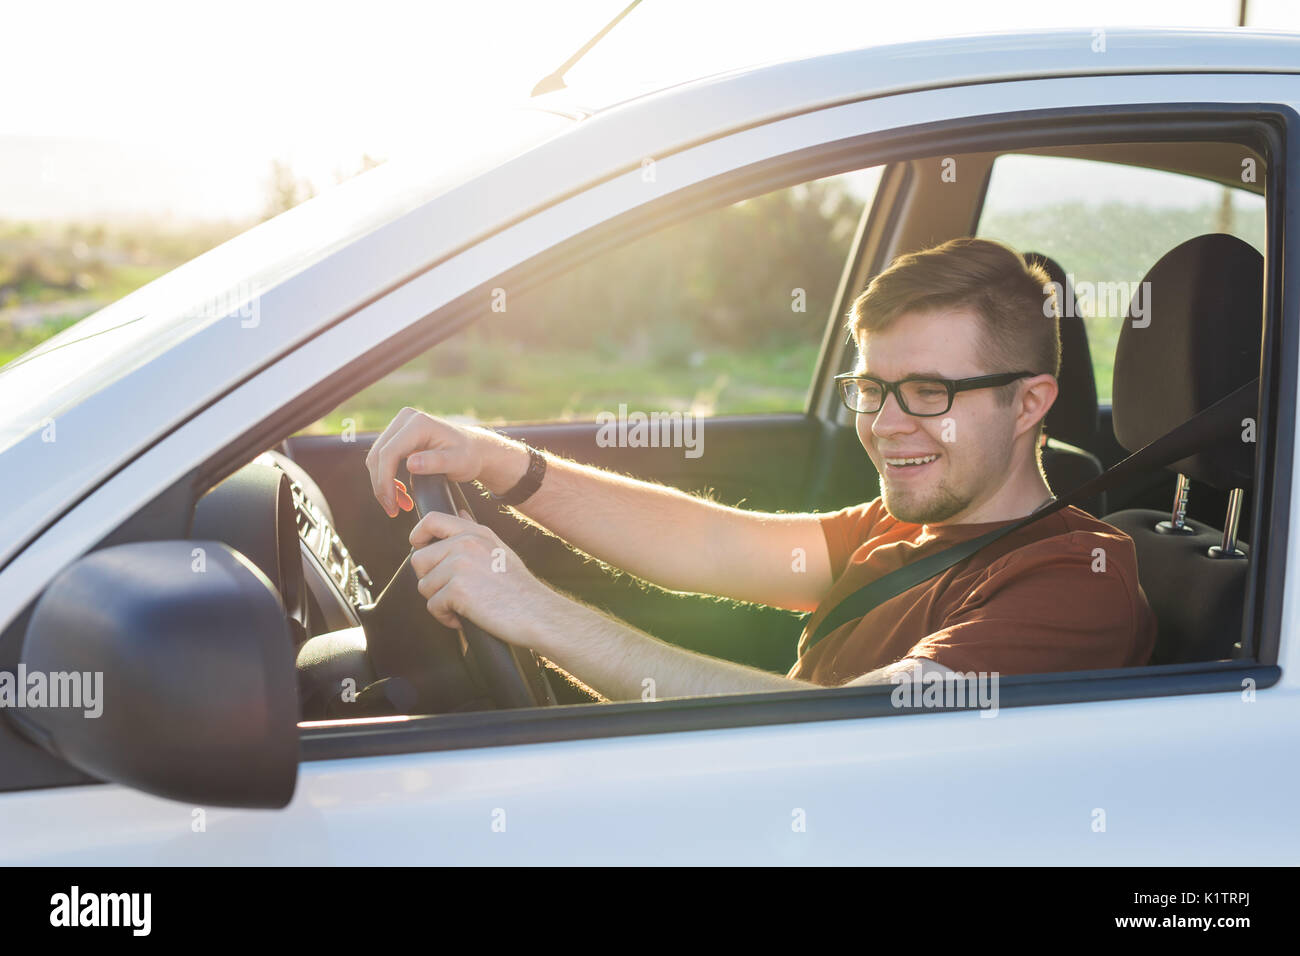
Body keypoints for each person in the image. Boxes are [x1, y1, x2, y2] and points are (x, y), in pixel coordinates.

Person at [365, 237, 1156, 701]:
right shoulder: (915, 520)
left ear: (1028, 405)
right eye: (873, 390)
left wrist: (535, 613)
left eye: (927, 393)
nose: (884, 426)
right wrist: (503, 462)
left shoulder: (1075, 586)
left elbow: (848, 731)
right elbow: (709, 545)